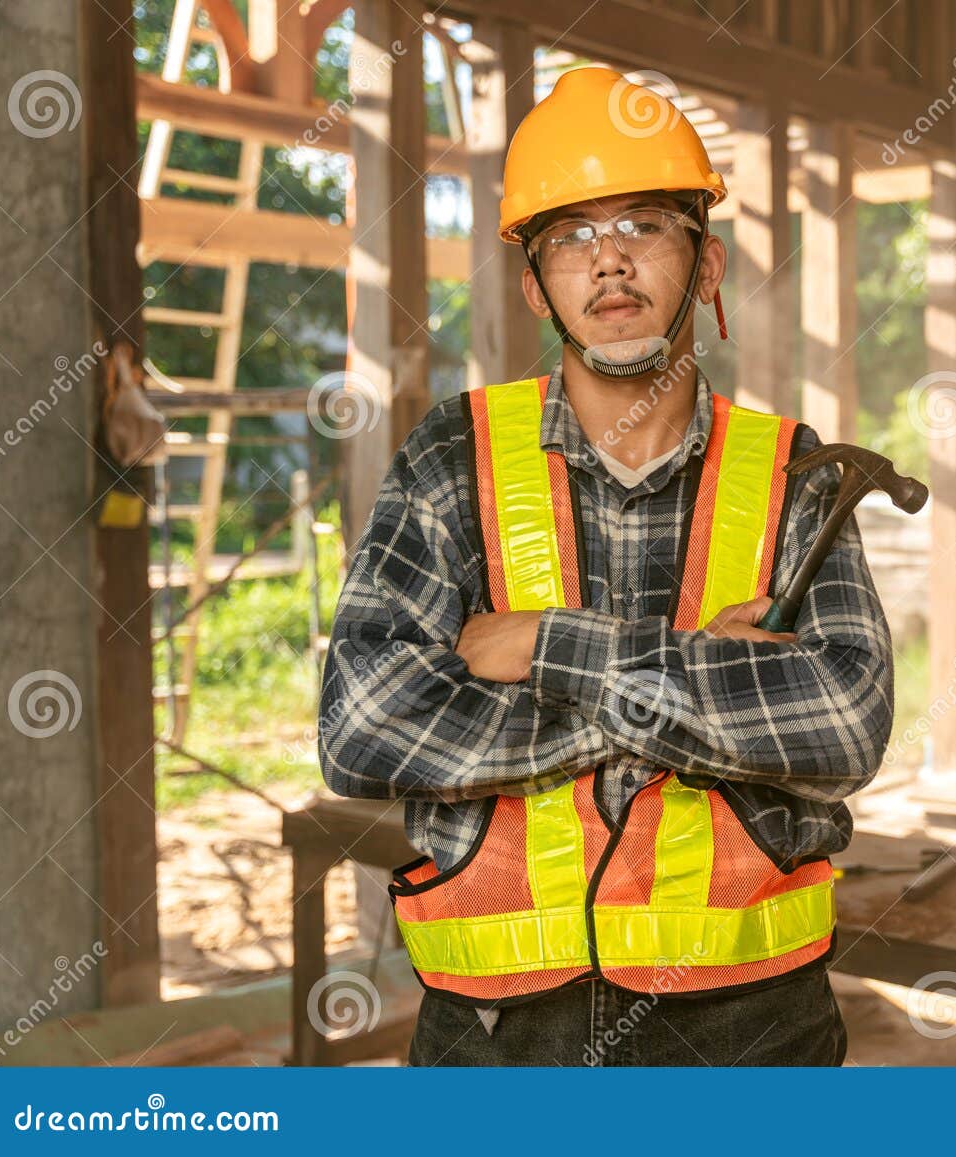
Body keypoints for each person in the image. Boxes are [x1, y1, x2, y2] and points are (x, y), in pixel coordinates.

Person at [316, 65, 894, 1066]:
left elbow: (842, 722)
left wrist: (546, 643)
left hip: (750, 1025)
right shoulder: (452, 456)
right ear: (536, 282)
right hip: (495, 1032)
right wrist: (699, 694)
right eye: (571, 237)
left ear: (706, 266)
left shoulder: (794, 471)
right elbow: (364, 727)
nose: (609, 261)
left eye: (643, 225)